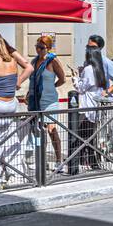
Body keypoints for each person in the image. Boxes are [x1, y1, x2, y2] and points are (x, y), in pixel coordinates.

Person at [0, 34, 33, 187]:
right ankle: (15, 175)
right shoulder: (13, 61)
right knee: (8, 140)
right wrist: (16, 83)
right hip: (10, 103)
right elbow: (23, 72)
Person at [27, 34, 67, 168]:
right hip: (36, 101)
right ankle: (41, 160)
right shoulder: (33, 61)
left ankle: (59, 160)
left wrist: (52, 87)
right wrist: (29, 93)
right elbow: (32, 80)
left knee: (51, 130)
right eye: (37, 47)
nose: (38, 50)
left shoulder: (53, 61)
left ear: (48, 48)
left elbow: (63, 79)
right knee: (40, 131)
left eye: (41, 48)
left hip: (49, 101)